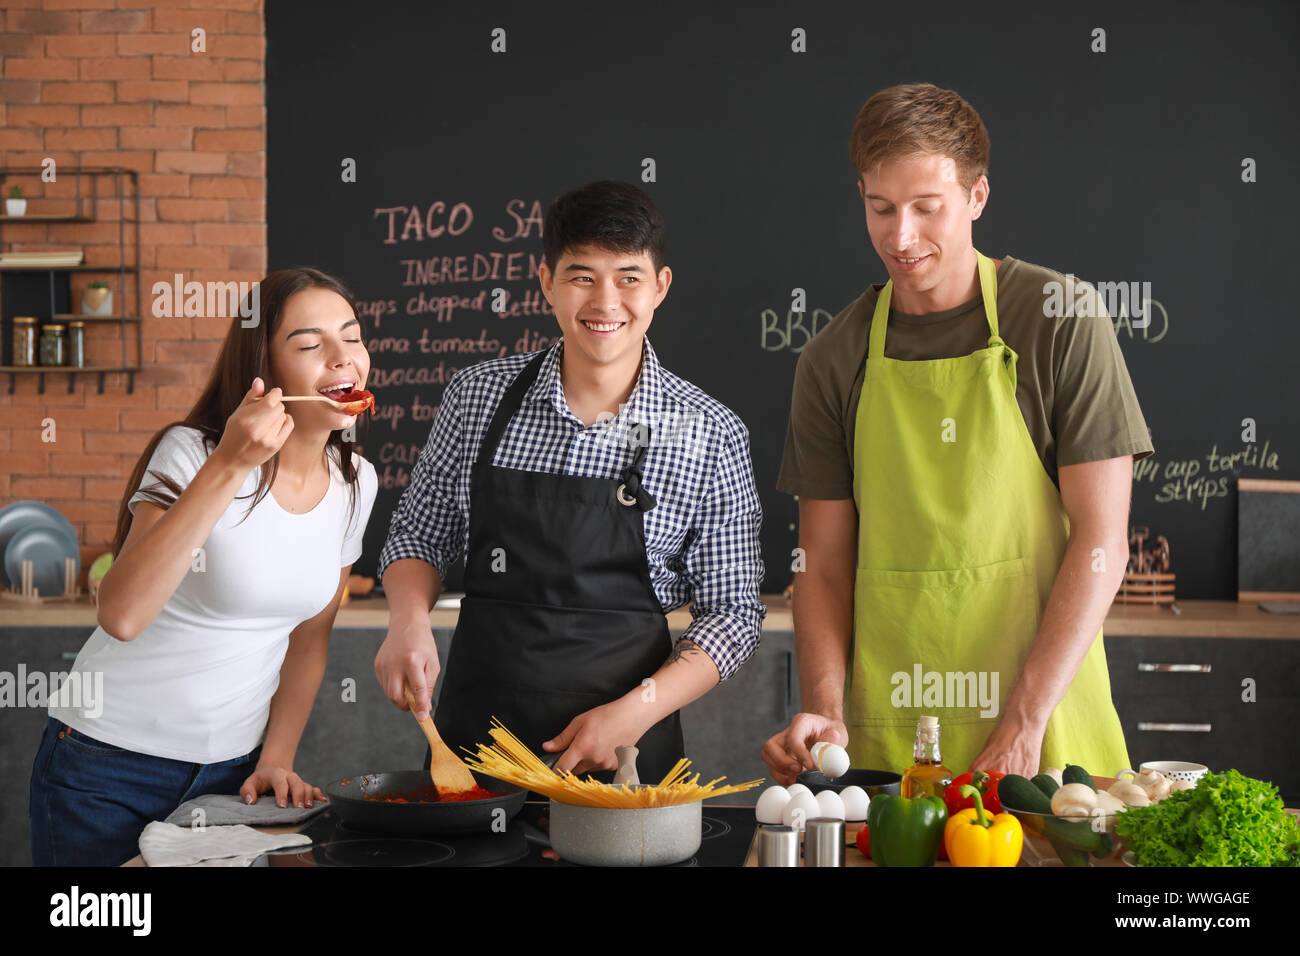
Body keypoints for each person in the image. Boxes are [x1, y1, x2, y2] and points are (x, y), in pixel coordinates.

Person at [762, 83, 1153, 785]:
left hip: (1044, 733)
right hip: (891, 739)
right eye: (880, 208)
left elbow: (1103, 539)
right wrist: (824, 705)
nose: (901, 237)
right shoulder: (834, 356)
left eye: (926, 208)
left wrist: (1024, 722)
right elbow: (819, 566)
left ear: (977, 196)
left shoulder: (1059, 320)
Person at [375, 180, 765, 783]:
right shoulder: (477, 398)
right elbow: (420, 535)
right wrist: (407, 621)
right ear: (546, 284)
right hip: (473, 754)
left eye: (628, 277)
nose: (606, 302)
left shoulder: (710, 433)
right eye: (582, 275)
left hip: (629, 759)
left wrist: (634, 713)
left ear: (660, 287)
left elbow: (734, 614)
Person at [30, 268, 379, 865]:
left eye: (351, 337)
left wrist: (277, 757)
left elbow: (309, 639)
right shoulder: (191, 451)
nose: (343, 358)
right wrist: (229, 464)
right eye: (310, 344)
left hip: (233, 772)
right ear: (263, 372)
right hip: (107, 762)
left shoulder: (356, 481)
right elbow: (121, 613)